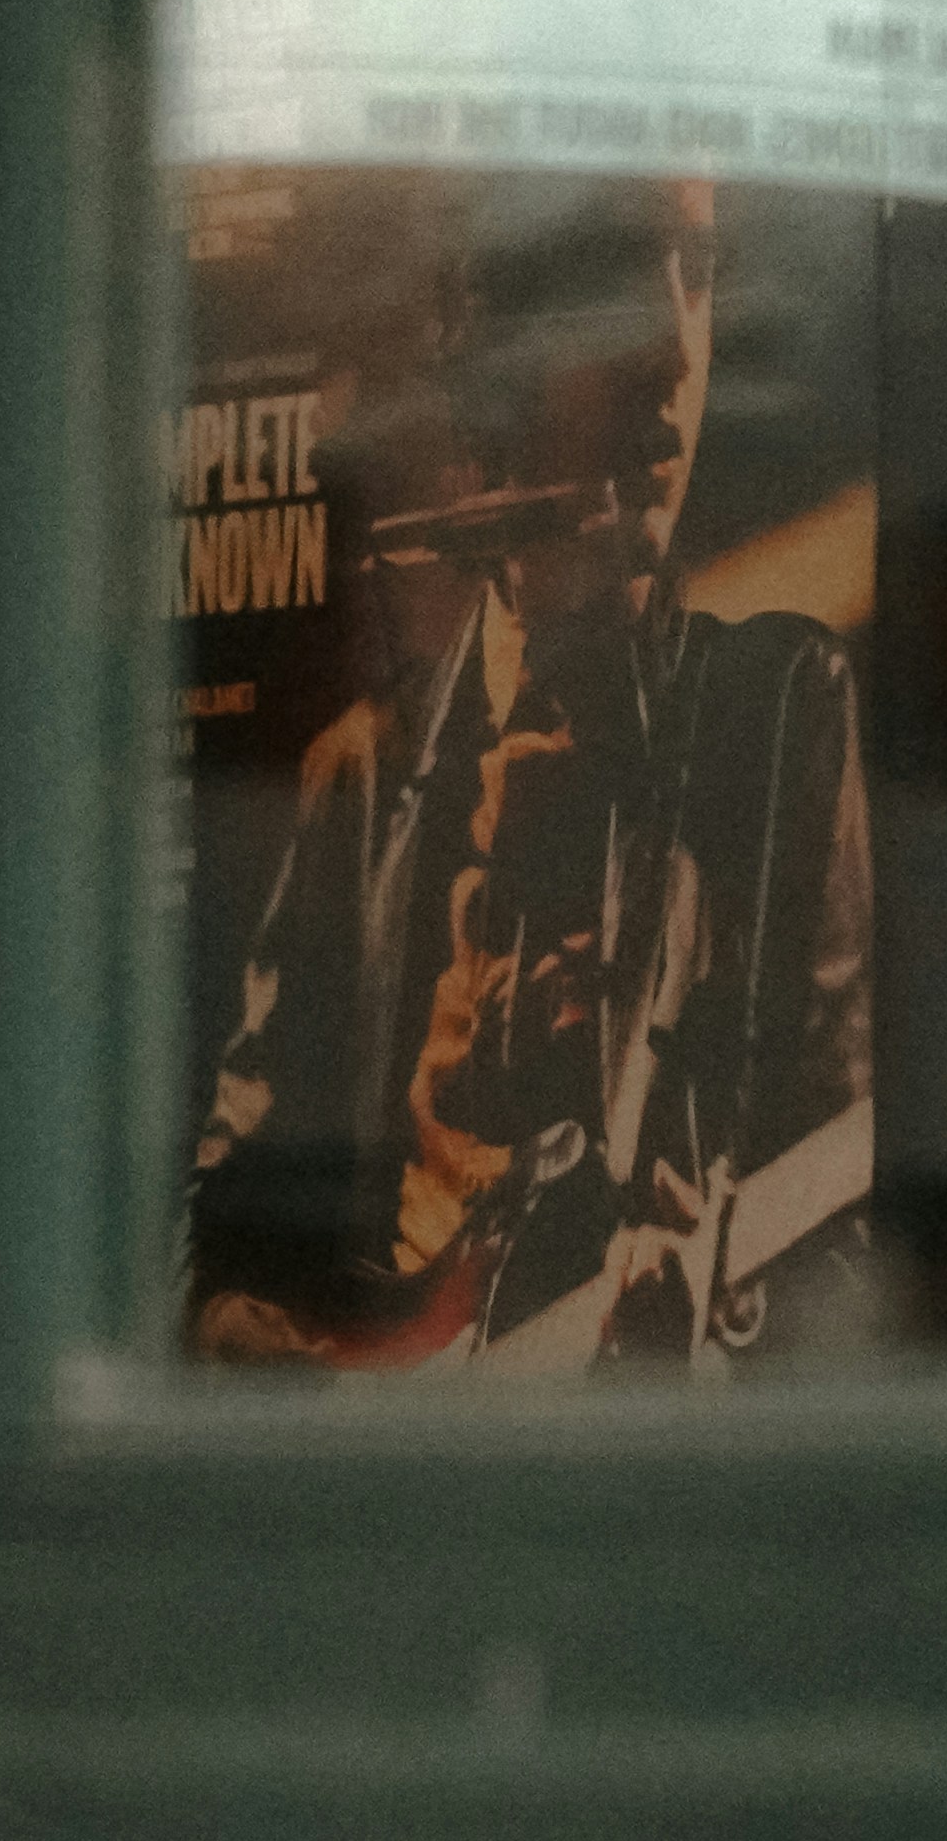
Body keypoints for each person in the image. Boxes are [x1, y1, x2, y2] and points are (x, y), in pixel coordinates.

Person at [178, 174, 876, 1370]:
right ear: (487, 357)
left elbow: (851, 1205)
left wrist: (721, 1322)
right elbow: (222, 1206)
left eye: (697, 274)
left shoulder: (774, 714)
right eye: (617, 278)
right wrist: (236, 1332)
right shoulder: (366, 767)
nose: (676, 353)